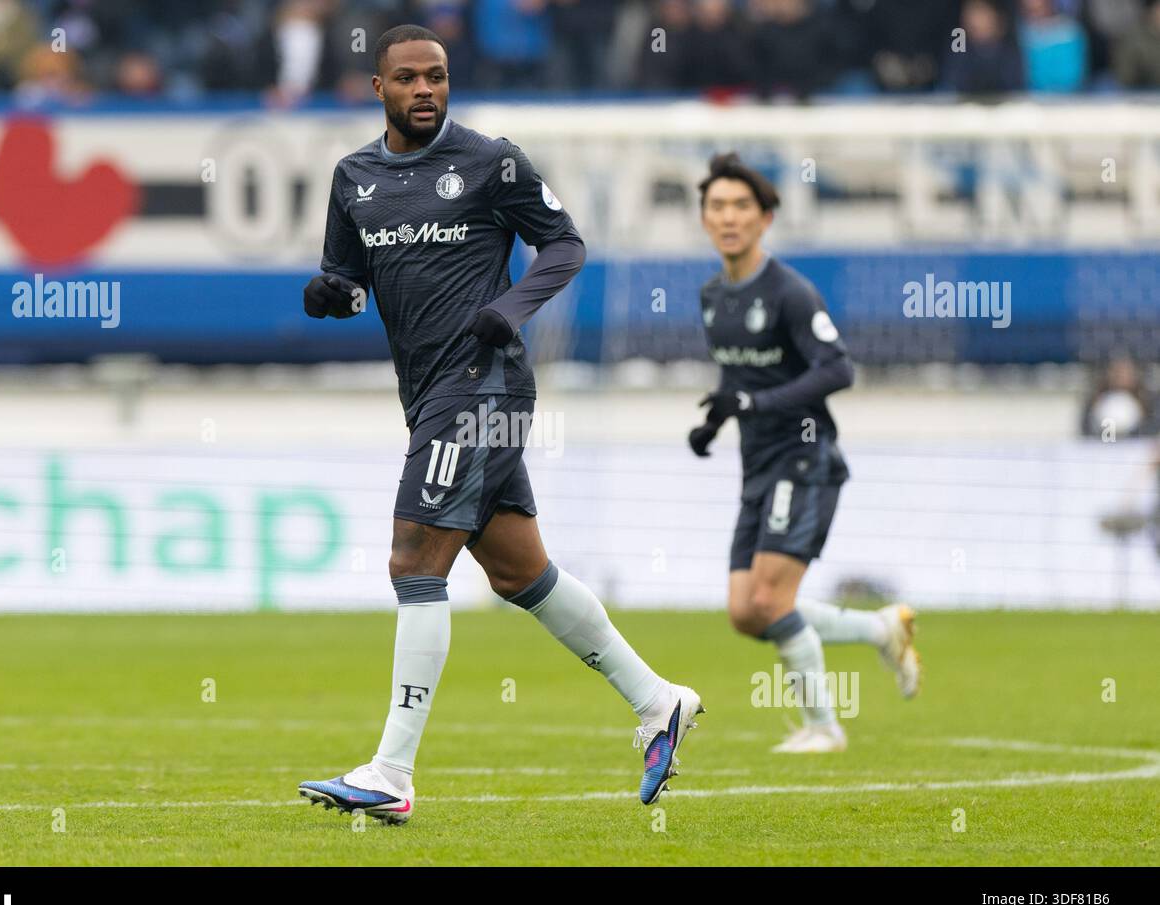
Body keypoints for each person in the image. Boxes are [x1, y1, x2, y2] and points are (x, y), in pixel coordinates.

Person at [297, 25, 702, 824]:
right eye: (408, 78)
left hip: (486, 385)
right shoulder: (354, 178)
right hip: (429, 393)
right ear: (377, 88)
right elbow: (345, 277)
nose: (425, 90)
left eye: (438, 77)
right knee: (520, 573)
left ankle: (391, 769)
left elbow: (566, 245)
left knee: (414, 554)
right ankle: (660, 699)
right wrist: (328, 295)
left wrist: (506, 309)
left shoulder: (492, 161)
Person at [688, 153, 920, 754]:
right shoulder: (713, 296)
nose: (729, 217)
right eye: (718, 206)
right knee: (745, 612)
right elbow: (741, 379)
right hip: (757, 463)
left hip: (804, 456)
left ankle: (824, 726)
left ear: (765, 219)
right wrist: (715, 424)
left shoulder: (790, 291)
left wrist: (758, 407)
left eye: (742, 206)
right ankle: (879, 628)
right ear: (705, 218)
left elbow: (839, 368)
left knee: (770, 599)